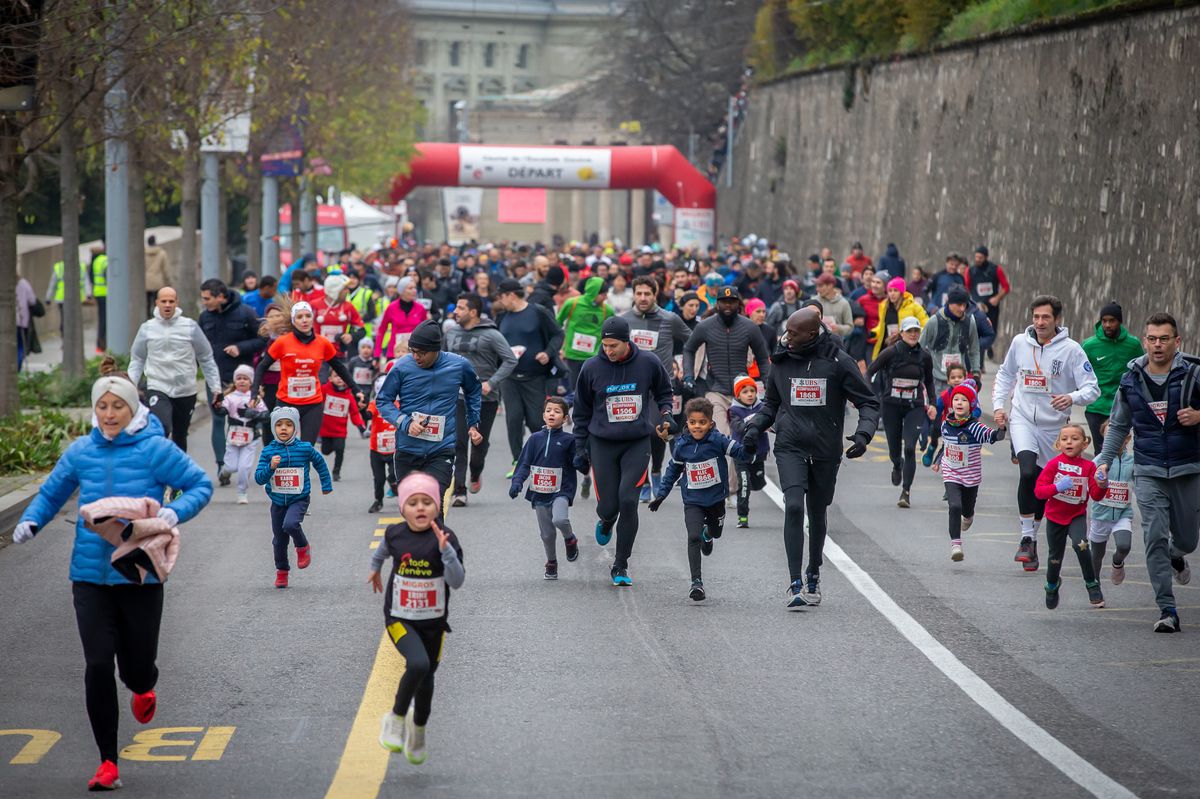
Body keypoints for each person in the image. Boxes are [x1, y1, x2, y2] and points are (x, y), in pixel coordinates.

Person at [11, 370, 213, 791]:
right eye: (102, 406)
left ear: (133, 408)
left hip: (138, 572)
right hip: (89, 575)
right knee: (98, 663)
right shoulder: (81, 451)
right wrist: (32, 520)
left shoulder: (155, 449)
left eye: (117, 405)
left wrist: (172, 513)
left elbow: (200, 484)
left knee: (137, 669)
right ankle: (107, 761)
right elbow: (51, 492)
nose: (108, 413)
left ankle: (143, 686)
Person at [740, 308, 880, 608]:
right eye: (786, 332)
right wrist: (753, 427)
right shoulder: (782, 362)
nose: (787, 338)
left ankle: (813, 572)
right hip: (790, 444)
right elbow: (770, 405)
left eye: (793, 334)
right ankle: (794, 583)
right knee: (792, 506)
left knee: (817, 511)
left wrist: (863, 435)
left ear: (812, 334)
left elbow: (868, 402)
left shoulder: (838, 362)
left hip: (826, 448)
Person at [1096, 312, 1200, 633]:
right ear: (1145, 341)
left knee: (1187, 539)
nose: (1157, 345)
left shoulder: (1194, 374)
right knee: (1153, 534)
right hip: (1149, 469)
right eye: (1152, 339)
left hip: (1188, 468)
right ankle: (1167, 608)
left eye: (1164, 339)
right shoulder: (1131, 379)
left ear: (1176, 341)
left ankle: (1176, 553)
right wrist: (1103, 459)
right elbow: (1118, 425)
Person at [993, 295, 1099, 572]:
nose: (1040, 322)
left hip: (1054, 427)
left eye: (1046, 318)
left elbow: (1092, 388)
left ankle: (1034, 539)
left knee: (1043, 481)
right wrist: (998, 407)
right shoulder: (1019, 343)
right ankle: (1027, 537)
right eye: (1036, 317)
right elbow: (1005, 375)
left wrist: (1072, 397)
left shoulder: (1072, 350)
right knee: (1027, 472)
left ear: (1057, 320)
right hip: (1023, 419)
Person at [369, 472, 465, 765]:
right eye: (413, 503)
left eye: (427, 502)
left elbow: (457, 581)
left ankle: (419, 731)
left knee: (426, 680)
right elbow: (382, 553)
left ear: (437, 507)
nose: (420, 508)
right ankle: (395, 719)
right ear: (402, 508)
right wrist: (374, 570)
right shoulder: (395, 533)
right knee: (418, 664)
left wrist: (445, 552)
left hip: (433, 623)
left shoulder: (446, 538)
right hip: (399, 618)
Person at [572, 316, 675, 586]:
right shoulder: (591, 367)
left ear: (626, 341)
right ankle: (606, 520)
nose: (608, 350)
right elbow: (581, 411)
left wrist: (666, 414)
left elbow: (665, 392)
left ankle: (620, 565)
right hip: (602, 443)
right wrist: (579, 447)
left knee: (628, 501)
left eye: (613, 345)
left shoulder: (648, 362)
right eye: (604, 345)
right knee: (609, 506)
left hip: (636, 441)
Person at [649, 396, 749, 602]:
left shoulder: (718, 440)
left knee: (715, 532)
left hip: (715, 500)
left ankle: (708, 534)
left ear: (710, 423)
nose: (697, 427)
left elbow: (740, 452)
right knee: (692, 536)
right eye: (693, 422)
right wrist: (661, 495)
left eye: (702, 423)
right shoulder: (682, 445)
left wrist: (750, 445)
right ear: (687, 423)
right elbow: (673, 470)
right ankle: (696, 583)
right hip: (692, 500)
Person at [374, 320, 483, 503]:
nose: (416, 357)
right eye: (412, 351)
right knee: (411, 509)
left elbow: (473, 390)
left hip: (441, 449)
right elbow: (383, 401)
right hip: (408, 449)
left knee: (433, 504)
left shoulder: (458, 365)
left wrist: (473, 423)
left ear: (436, 350)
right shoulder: (402, 367)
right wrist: (405, 422)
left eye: (422, 353)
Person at [682, 286, 770, 484]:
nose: (728, 305)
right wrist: (688, 375)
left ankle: (739, 483)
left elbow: (764, 358)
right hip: (716, 391)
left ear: (739, 303)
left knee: (742, 437)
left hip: (743, 392)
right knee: (723, 436)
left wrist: (768, 384)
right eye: (723, 301)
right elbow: (688, 349)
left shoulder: (749, 327)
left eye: (732, 302)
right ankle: (726, 487)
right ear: (717, 304)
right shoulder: (705, 326)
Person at [621, 276, 693, 502]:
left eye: (647, 294)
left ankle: (656, 471)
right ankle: (642, 480)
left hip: (661, 385)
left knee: (656, 430)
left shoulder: (669, 318)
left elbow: (691, 340)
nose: (643, 298)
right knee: (635, 433)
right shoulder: (623, 320)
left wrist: (682, 365)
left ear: (655, 294)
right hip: (631, 386)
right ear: (633, 294)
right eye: (639, 293)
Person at [250, 301, 362, 444]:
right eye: (300, 317)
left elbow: (339, 367)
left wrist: (356, 390)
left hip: (312, 404)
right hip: (286, 403)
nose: (304, 320)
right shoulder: (282, 343)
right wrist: (254, 393)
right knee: (285, 450)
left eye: (308, 316)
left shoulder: (322, 343)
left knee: (305, 451)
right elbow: (262, 366)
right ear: (293, 320)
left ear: (312, 318)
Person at [128, 287, 223, 454]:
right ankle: (160, 471)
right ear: (156, 303)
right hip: (158, 386)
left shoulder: (190, 327)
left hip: (185, 390)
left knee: (180, 435)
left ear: (177, 303)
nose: (167, 305)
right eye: (163, 301)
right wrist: (128, 386)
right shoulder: (147, 328)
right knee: (162, 427)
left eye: (171, 301)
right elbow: (137, 360)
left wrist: (215, 387)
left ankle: (178, 473)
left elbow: (206, 358)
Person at [445, 293, 518, 504]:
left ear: (473, 312)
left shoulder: (491, 334)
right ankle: (459, 490)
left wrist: (492, 383)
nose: (455, 312)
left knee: (478, 445)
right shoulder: (451, 334)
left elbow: (510, 360)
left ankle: (475, 473)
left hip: (485, 399)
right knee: (458, 443)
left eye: (460, 308)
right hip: (457, 397)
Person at [255, 405, 333, 589]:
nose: (283, 428)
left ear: (295, 428)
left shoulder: (305, 448)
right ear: (274, 428)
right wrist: (271, 468)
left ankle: (302, 546)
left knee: (290, 524)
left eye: (288, 425)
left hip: (299, 498)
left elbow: (320, 462)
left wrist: (326, 484)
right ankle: (282, 572)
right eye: (279, 425)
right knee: (279, 540)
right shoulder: (268, 452)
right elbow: (259, 478)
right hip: (277, 501)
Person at [199, 278, 267, 482]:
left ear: (220, 297)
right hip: (216, 378)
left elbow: (262, 339)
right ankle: (223, 467)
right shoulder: (204, 317)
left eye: (207, 299)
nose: (204, 303)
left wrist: (240, 348)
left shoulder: (245, 313)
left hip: (242, 379)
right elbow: (198, 346)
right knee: (219, 418)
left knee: (244, 419)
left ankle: (247, 455)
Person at [1034, 423, 1108, 609]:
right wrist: (1057, 487)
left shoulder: (1089, 467)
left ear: (1084, 444)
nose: (1069, 442)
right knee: (1054, 557)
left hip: (1076, 515)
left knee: (1081, 545)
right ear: (1058, 444)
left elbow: (1096, 496)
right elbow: (1039, 492)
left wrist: (1102, 484)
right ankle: (1051, 585)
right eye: (1065, 439)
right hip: (1055, 517)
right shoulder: (1054, 465)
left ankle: (1092, 584)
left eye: (1074, 439)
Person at [495, 278, 564, 475]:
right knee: (514, 419)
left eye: (501, 297)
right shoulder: (501, 317)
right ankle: (518, 461)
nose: (500, 301)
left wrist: (547, 353)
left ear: (511, 295)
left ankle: (543, 456)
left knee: (536, 420)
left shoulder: (538, 312)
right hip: (509, 377)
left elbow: (558, 334)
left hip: (534, 376)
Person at [868, 316, 937, 508]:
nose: (914, 334)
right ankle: (897, 465)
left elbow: (929, 381)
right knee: (894, 450)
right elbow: (870, 372)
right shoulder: (890, 353)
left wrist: (932, 403)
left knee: (910, 448)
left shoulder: (924, 356)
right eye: (910, 331)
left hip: (914, 406)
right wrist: (868, 396)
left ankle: (906, 492)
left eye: (916, 331)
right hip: (891, 406)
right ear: (902, 333)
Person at [508, 396, 580, 580]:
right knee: (547, 534)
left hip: (561, 490)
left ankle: (570, 538)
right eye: (548, 410)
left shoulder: (569, 440)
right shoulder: (534, 439)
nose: (551, 414)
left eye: (556, 411)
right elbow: (524, 464)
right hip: (540, 492)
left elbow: (579, 462)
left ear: (565, 419)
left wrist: (582, 459)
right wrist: (517, 482)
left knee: (560, 519)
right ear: (543, 415)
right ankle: (552, 563)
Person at [934, 382, 1005, 562]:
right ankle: (956, 545)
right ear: (951, 404)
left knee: (966, 509)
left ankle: (969, 516)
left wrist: (1002, 428)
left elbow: (994, 437)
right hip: (951, 472)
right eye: (956, 399)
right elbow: (946, 446)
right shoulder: (946, 424)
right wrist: (937, 461)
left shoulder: (975, 427)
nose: (959, 403)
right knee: (954, 506)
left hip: (970, 477)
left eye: (964, 400)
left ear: (971, 405)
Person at [1081, 301, 1144, 453]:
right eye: (1104, 321)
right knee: (1101, 451)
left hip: (1122, 406)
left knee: (1119, 450)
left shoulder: (1133, 344)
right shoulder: (1089, 345)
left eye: (1112, 320)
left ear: (1120, 322)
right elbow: (1078, 374)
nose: (1107, 325)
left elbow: (1141, 372)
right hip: (1097, 407)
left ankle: (1117, 477)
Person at [1088, 422, 1134, 585]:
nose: (1112, 439)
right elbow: (1088, 485)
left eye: (1117, 435)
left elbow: (1141, 486)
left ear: (1127, 438)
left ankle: (1117, 562)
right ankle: (1095, 587)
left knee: (1124, 546)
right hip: (1101, 514)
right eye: (1108, 436)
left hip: (1123, 513)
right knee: (1096, 555)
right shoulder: (1098, 461)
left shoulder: (1133, 461)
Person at [218, 364, 268, 504]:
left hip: (251, 436)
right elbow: (221, 410)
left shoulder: (255, 398)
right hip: (234, 435)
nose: (241, 381)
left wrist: (254, 414)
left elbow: (266, 415)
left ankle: (242, 492)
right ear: (234, 381)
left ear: (251, 381)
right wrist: (217, 405)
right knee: (231, 466)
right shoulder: (230, 397)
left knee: (244, 467)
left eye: (245, 378)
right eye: (239, 378)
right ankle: (225, 472)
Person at [919, 286, 981, 395]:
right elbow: (920, 348)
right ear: (949, 302)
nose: (962, 309)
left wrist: (976, 373)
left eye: (965, 305)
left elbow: (974, 349)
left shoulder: (970, 322)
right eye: (959, 305)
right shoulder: (934, 321)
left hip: (960, 381)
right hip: (936, 381)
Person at [727, 374, 769, 528]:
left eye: (752, 391)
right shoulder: (734, 411)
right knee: (744, 484)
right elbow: (738, 427)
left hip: (759, 453)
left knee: (757, 484)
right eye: (745, 392)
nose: (750, 394)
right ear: (738, 395)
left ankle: (759, 482)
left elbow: (772, 421)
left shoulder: (763, 407)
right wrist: (756, 421)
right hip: (742, 454)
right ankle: (742, 516)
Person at [557, 275, 612, 391]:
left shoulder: (607, 310)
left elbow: (612, 331)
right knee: (575, 391)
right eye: (603, 294)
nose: (605, 298)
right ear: (594, 292)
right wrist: (559, 347)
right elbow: (557, 323)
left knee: (593, 389)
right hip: (573, 355)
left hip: (594, 356)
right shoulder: (572, 303)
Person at [964, 246, 1010, 360]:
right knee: (977, 332)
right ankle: (980, 363)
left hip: (991, 307)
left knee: (991, 331)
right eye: (976, 257)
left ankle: (988, 346)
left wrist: (997, 298)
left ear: (986, 257)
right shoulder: (970, 271)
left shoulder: (996, 269)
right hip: (976, 307)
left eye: (980, 257)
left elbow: (1006, 287)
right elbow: (966, 288)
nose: (978, 259)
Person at [318, 372, 366, 481]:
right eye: (336, 376)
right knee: (325, 451)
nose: (339, 378)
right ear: (330, 378)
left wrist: (360, 426)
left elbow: (354, 413)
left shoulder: (349, 395)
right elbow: (316, 401)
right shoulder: (324, 390)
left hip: (340, 430)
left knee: (340, 449)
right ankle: (330, 448)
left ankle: (336, 472)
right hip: (326, 429)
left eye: (342, 376)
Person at [869, 277, 928, 360]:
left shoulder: (914, 306)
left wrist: (905, 333)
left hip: (907, 348)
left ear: (901, 292)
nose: (892, 294)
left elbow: (926, 327)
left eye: (895, 290)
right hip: (887, 346)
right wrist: (874, 332)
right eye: (890, 291)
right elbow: (882, 326)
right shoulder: (884, 306)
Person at [374, 276, 430, 362]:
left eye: (415, 288)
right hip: (394, 353)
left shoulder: (420, 308)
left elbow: (426, 332)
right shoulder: (391, 307)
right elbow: (381, 330)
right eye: (410, 288)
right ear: (401, 291)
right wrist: (377, 355)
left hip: (415, 353)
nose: (414, 291)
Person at [311, 273, 364, 359]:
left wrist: (351, 336)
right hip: (319, 355)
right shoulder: (314, 305)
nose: (347, 291)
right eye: (344, 289)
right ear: (334, 291)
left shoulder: (348, 307)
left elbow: (361, 330)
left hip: (339, 356)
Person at [144, 236, 170, 318]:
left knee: (147, 304)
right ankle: (157, 318)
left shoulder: (143, 253)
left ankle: (147, 318)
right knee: (158, 303)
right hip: (158, 282)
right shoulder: (162, 253)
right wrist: (168, 282)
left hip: (146, 282)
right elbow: (166, 269)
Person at [90, 244, 108, 352]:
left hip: (98, 293)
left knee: (101, 319)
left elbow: (91, 277)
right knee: (106, 320)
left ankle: (99, 345)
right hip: (107, 294)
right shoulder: (106, 261)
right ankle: (104, 344)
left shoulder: (96, 261)